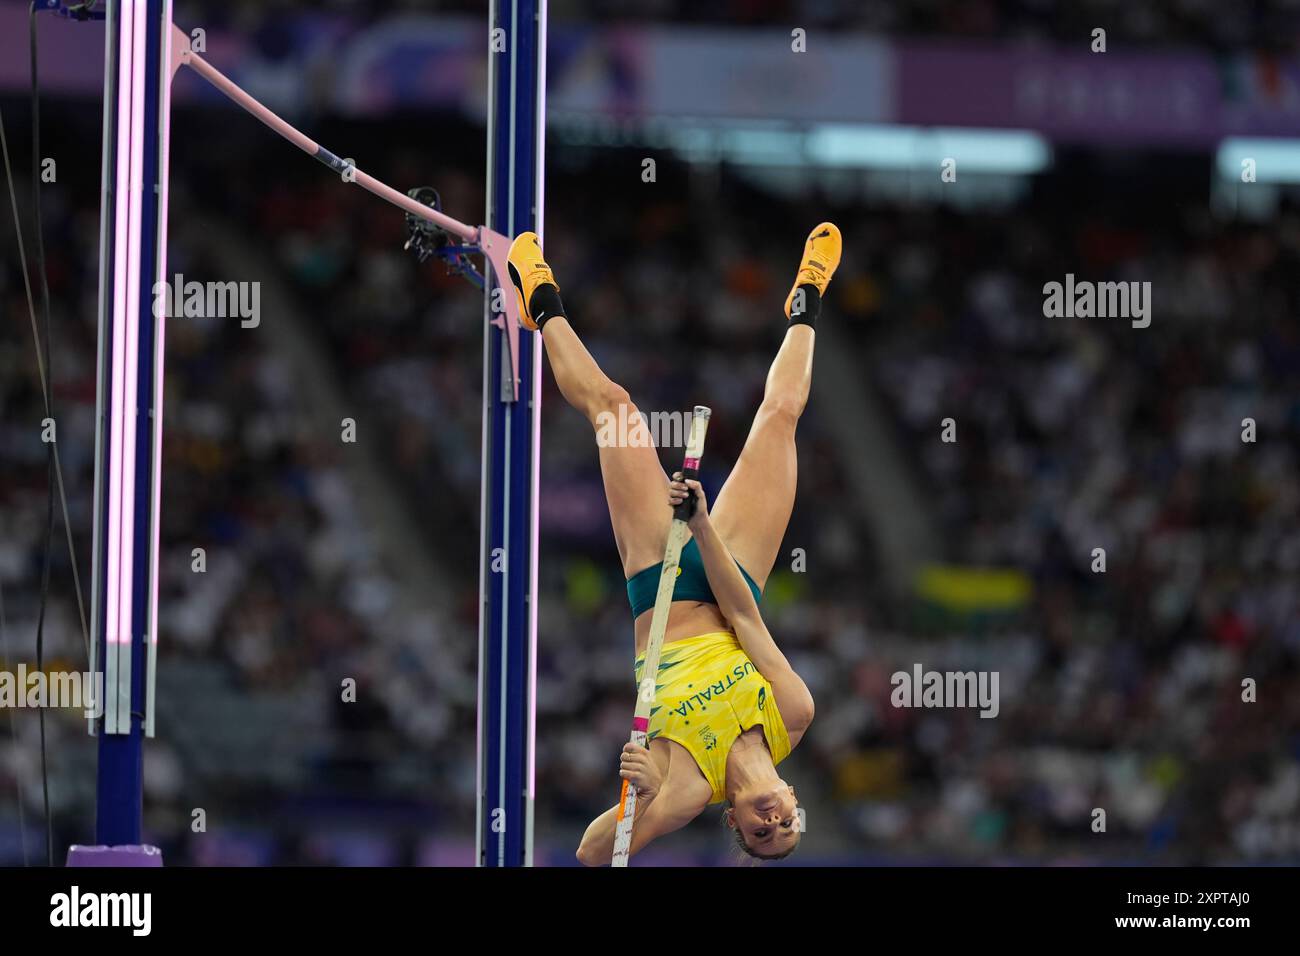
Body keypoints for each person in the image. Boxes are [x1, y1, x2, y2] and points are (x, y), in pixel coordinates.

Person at [506, 223, 841, 863]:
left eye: (761, 834)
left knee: (615, 410)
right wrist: (703, 522)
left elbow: (591, 852)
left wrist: (641, 798)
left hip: (659, 579)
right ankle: (807, 299)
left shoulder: (687, 790)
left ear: (736, 827)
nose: (773, 822)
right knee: (780, 419)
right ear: (796, 799)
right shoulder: (792, 713)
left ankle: (541, 304)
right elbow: (743, 614)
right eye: (788, 824)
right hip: (728, 570)